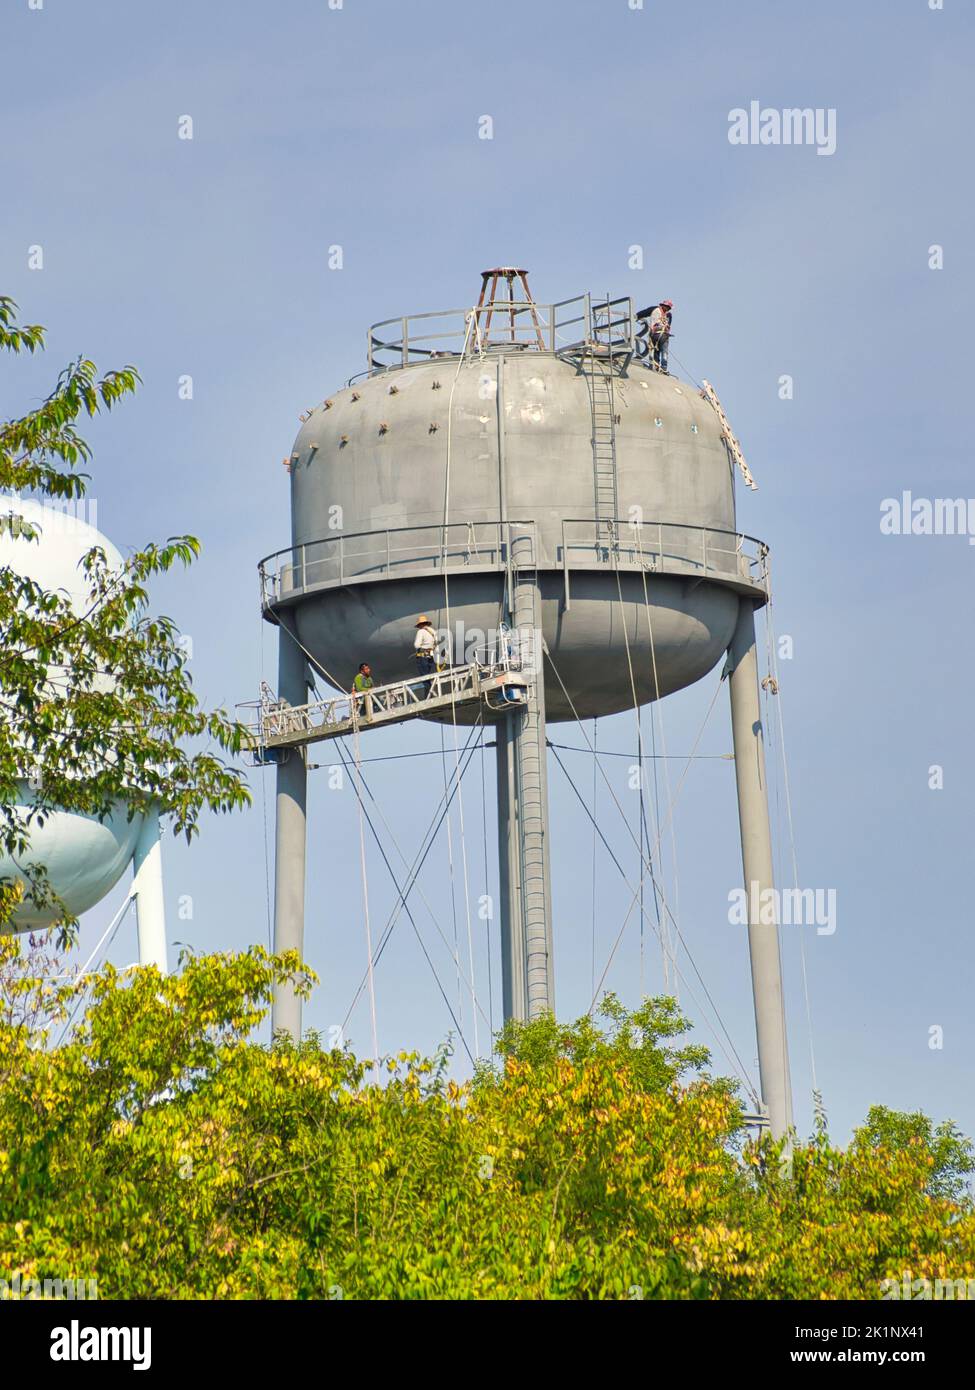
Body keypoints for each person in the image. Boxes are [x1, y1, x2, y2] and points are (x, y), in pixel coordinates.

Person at [413, 614, 440, 697]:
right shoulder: (433, 632)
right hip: (430, 656)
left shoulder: (421, 632)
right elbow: (436, 644)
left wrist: (421, 647)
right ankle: (428, 695)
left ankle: (429, 696)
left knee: (424, 677)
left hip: (422, 656)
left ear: (420, 624)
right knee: (427, 675)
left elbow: (417, 645)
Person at [648, 299, 673, 373]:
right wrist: (663, 326)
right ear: (663, 306)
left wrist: (666, 327)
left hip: (662, 334)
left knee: (661, 351)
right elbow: (654, 325)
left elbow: (667, 325)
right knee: (659, 350)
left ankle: (662, 367)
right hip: (657, 334)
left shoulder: (666, 314)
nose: (667, 309)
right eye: (667, 307)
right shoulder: (657, 311)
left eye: (668, 308)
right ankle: (659, 366)